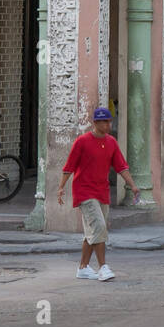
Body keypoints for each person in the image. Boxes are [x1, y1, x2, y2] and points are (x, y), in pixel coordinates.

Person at [58, 107, 140, 281]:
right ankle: (103, 267)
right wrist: (61, 187)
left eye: (109, 121)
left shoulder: (111, 142)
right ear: (95, 123)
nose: (107, 124)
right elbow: (69, 166)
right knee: (99, 227)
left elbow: (121, 166)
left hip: (102, 191)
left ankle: (83, 267)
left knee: (92, 231)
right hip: (84, 191)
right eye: (103, 121)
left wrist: (132, 185)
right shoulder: (82, 141)